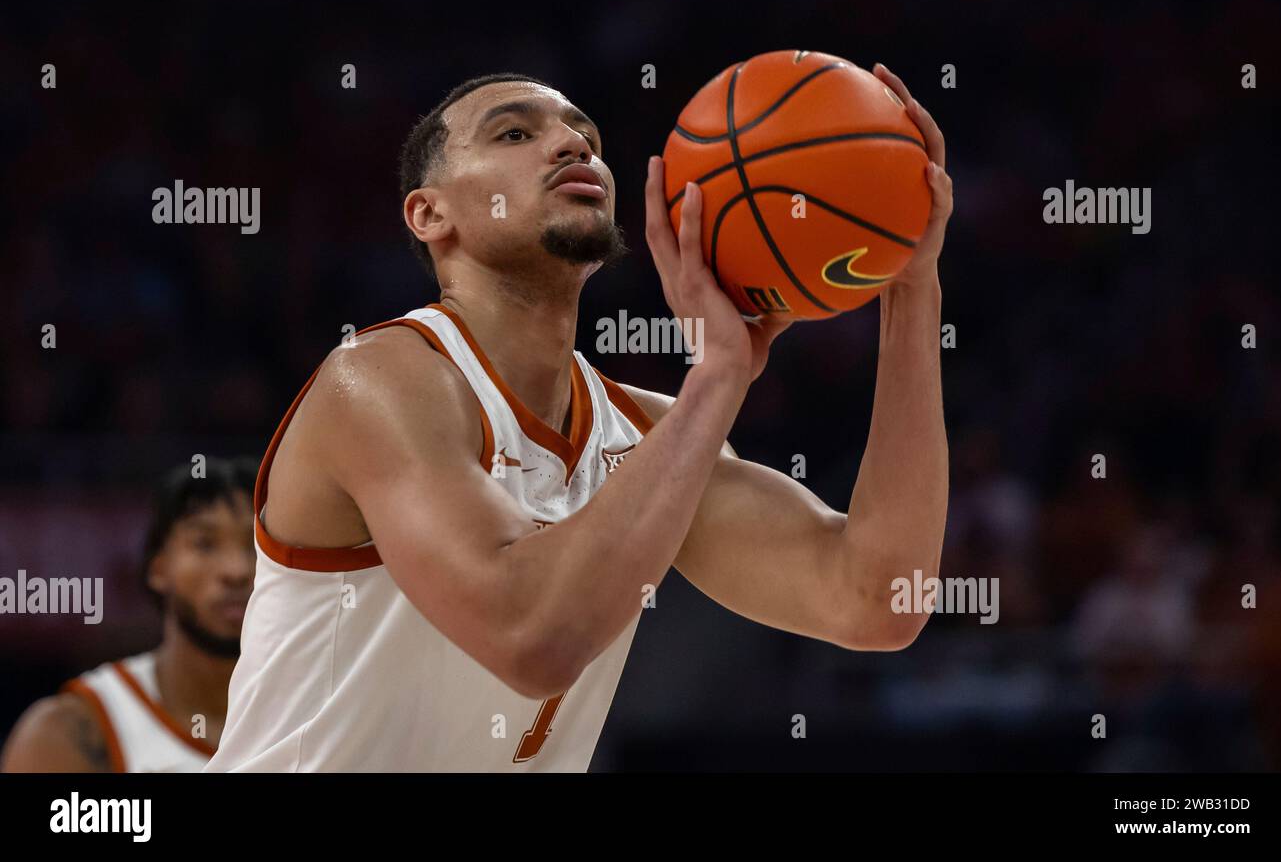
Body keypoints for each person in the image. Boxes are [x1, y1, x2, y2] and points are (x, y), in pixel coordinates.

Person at [206, 65, 953, 771]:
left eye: (586, 136)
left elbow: (878, 600)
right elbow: (529, 637)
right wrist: (719, 377)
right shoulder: (378, 380)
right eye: (514, 134)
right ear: (429, 212)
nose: (571, 144)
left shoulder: (654, 436)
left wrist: (911, 288)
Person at [1, 458, 257, 772]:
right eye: (205, 544)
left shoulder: (319, 707)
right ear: (158, 569)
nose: (237, 570)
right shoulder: (72, 730)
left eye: (256, 546)